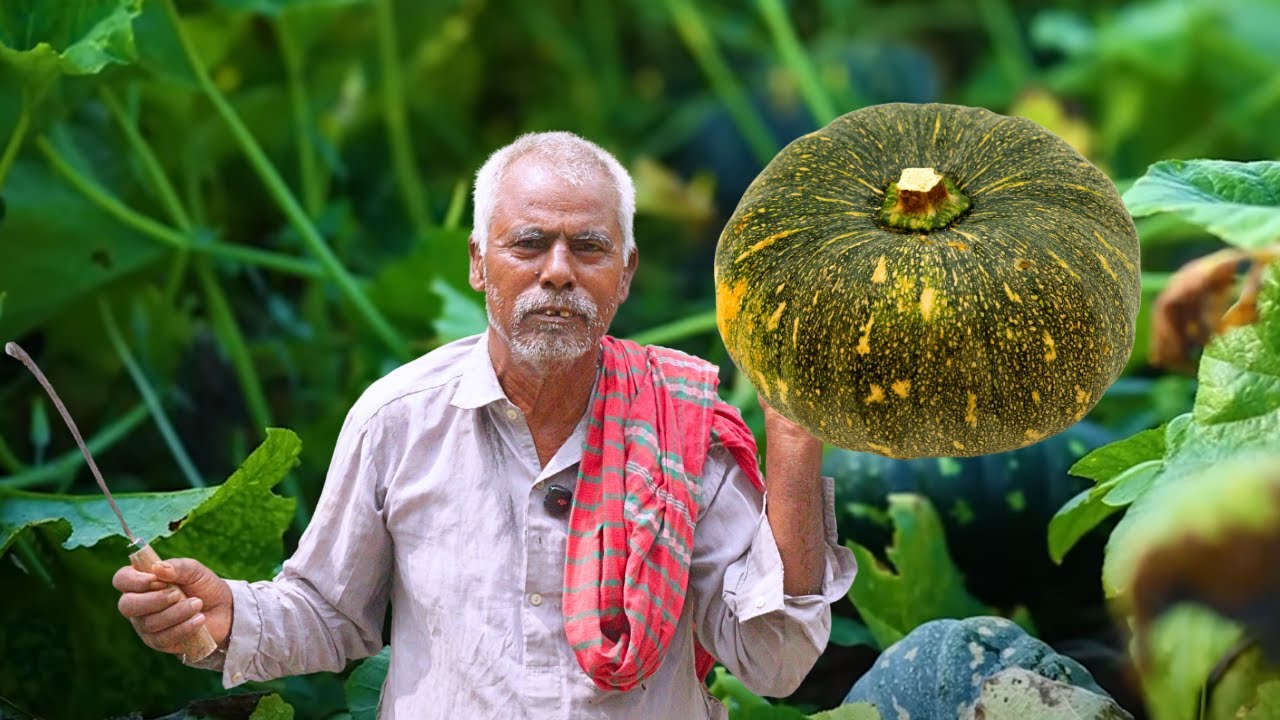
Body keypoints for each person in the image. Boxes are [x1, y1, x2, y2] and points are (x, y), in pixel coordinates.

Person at [113, 131, 856, 719]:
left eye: (588, 247)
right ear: (478, 262)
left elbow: (775, 663)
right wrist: (227, 616)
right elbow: (329, 614)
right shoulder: (397, 422)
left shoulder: (679, 432)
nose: (558, 271)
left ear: (625, 273)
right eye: (529, 243)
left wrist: (794, 437)